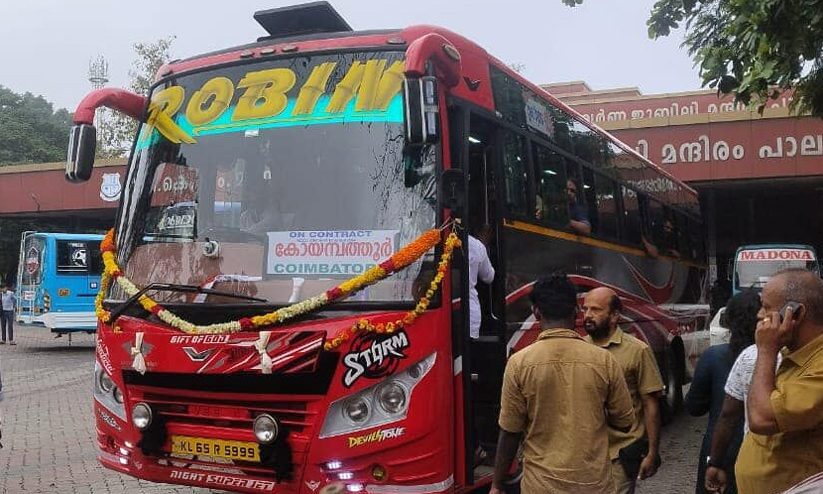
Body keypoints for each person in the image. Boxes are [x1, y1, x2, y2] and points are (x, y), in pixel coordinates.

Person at [490, 273, 634, 494]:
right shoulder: (604, 360)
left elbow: (510, 431)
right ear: (576, 311)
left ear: (536, 312)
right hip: (593, 485)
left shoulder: (519, 363)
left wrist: (497, 484)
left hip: (540, 487)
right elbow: (625, 422)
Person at [735, 268, 823, 494]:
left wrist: (766, 350)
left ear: (796, 313)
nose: (759, 315)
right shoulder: (794, 353)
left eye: (766, 307)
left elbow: (761, 419)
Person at [582, 286, 664, 494]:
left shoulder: (637, 350)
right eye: (585, 309)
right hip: (585, 455)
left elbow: (650, 405)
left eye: (595, 310)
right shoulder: (578, 349)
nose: (588, 315)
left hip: (620, 455)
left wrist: (652, 452)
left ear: (615, 315)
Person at [684, 289, 760, 494]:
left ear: (729, 321)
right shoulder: (776, 358)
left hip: (719, 452)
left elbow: (694, 407)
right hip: (760, 455)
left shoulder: (713, 356)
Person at [468, 223, 494, 339]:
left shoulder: (435, 241)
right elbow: (489, 277)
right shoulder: (476, 245)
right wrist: (482, 247)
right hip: (470, 315)